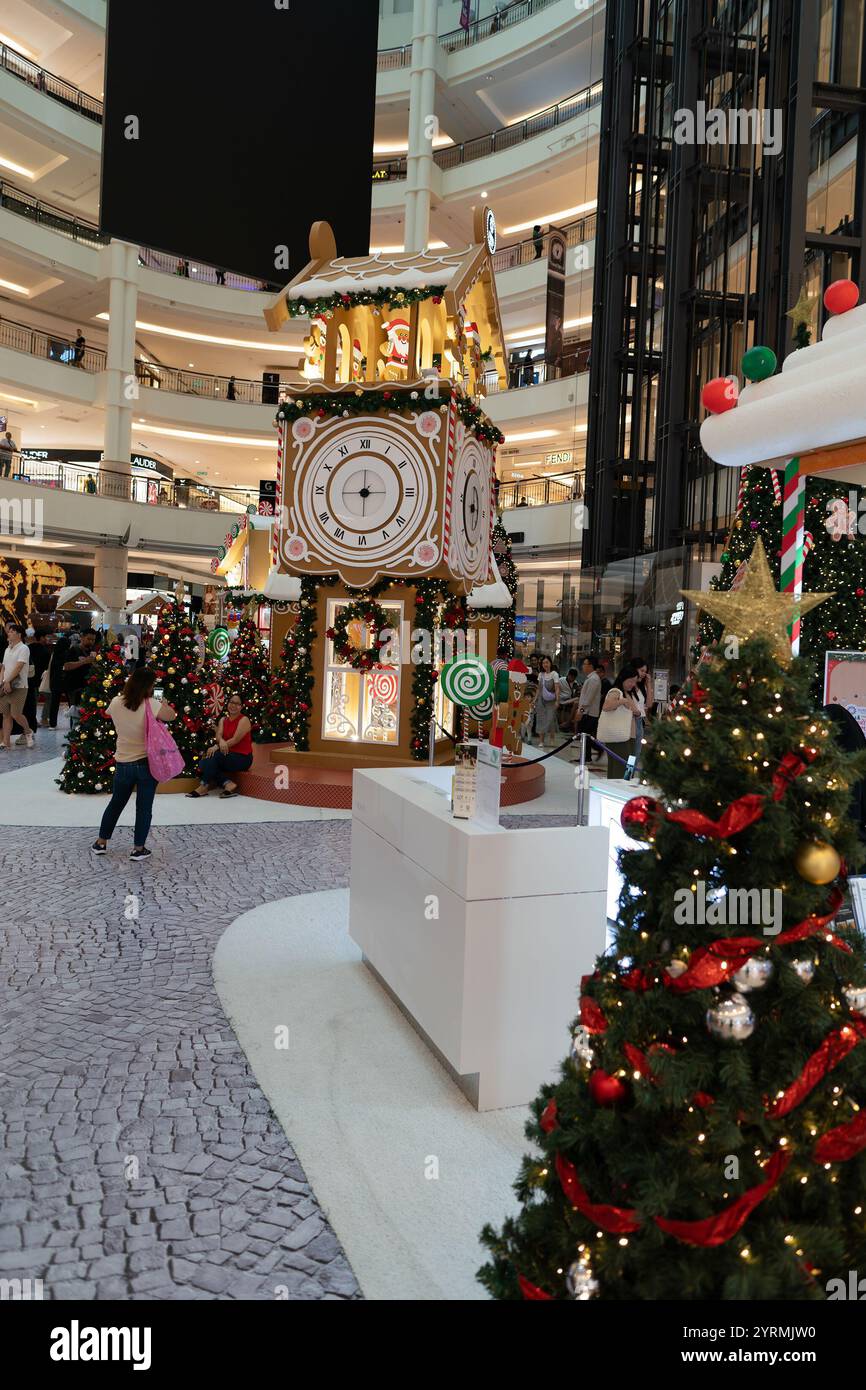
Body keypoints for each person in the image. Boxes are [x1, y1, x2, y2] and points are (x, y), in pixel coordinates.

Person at [92, 668, 177, 861]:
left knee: (116, 804)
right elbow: (172, 716)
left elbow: (110, 714)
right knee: (144, 808)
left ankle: (101, 842)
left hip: (123, 762)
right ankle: (138, 848)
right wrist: (163, 704)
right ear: (148, 686)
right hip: (147, 764)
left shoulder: (115, 702)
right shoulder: (151, 704)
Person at [186, 693, 253, 798]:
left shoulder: (244, 720)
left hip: (242, 757)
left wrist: (217, 746)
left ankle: (204, 786)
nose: (233, 705)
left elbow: (235, 740)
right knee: (204, 761)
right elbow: (218, 736)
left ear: (241, 707)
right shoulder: (223, 720)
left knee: (214, 756)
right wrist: (220, 742)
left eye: (237, 703)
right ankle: (228, 783)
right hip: (226, 754)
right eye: (231, 702)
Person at [597, 666, 641, 779]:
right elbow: (606, 707)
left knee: (627, 769)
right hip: (619, 737)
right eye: (630, 681)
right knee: (620, 769)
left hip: (629, 736)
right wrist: (623, 701)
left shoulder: (627, 692)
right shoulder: (616, 691)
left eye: (634, 681)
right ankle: (617, 792)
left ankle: (623, 790)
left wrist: (635, 711)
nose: (632, 684)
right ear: (623, 678)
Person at [0, 621, 34, 749]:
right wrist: (2, 682)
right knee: (5, 714)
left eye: (12, 631)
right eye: (8, 631)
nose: (9, 633)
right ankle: (6, 742)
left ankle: (28, 731)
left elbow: (19, 667)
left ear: (19, 635)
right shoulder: (7, 649)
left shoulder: (24, 648)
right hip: (5, 686)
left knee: (16, 714)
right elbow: (3, 667)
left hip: (19, 686)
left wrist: (8, 681)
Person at [17, 627, 51, 741]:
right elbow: (47, 668)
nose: (48, 639)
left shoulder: (27, 648)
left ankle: (27, 728)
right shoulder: (46, 651)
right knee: (32, 706)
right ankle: (30, 728)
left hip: (25, 681)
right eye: (46, 637)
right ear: (41, 638)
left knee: (25, 707)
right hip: (37, 682)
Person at [63, 629, 100, 710]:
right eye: (89, 639)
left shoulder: (92, 652)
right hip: (74, 687)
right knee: (75, 712)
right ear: (82, 638)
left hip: (88, 687)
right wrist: (84, 661)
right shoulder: (74, 650)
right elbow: (66, 666)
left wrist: (95, 664)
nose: (91, 642)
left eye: (93, 640)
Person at [574, 654, 603, 757]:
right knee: (585, 735)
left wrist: (580, 711)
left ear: (591, 666)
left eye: (584, 664)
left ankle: (598, 749)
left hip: (589, 713)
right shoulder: (591, 678)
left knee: (585, 735)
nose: (583, 666)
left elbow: (588, 700)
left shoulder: (594, 679)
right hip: (587, 712)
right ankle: (587, 756)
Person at [532, 656, 560, 749]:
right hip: (541, 700)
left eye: (547, 662)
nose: (545, 664)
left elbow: (557, 688)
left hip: (551, 701)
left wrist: (557, 700)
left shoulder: (554, 674)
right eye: (544, 663)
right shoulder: (541, 674)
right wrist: (534, 700)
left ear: (550, 663)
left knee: (551, 719)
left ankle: (552, 737)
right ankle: (541, 741)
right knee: (541, 719)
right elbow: (539, 689)